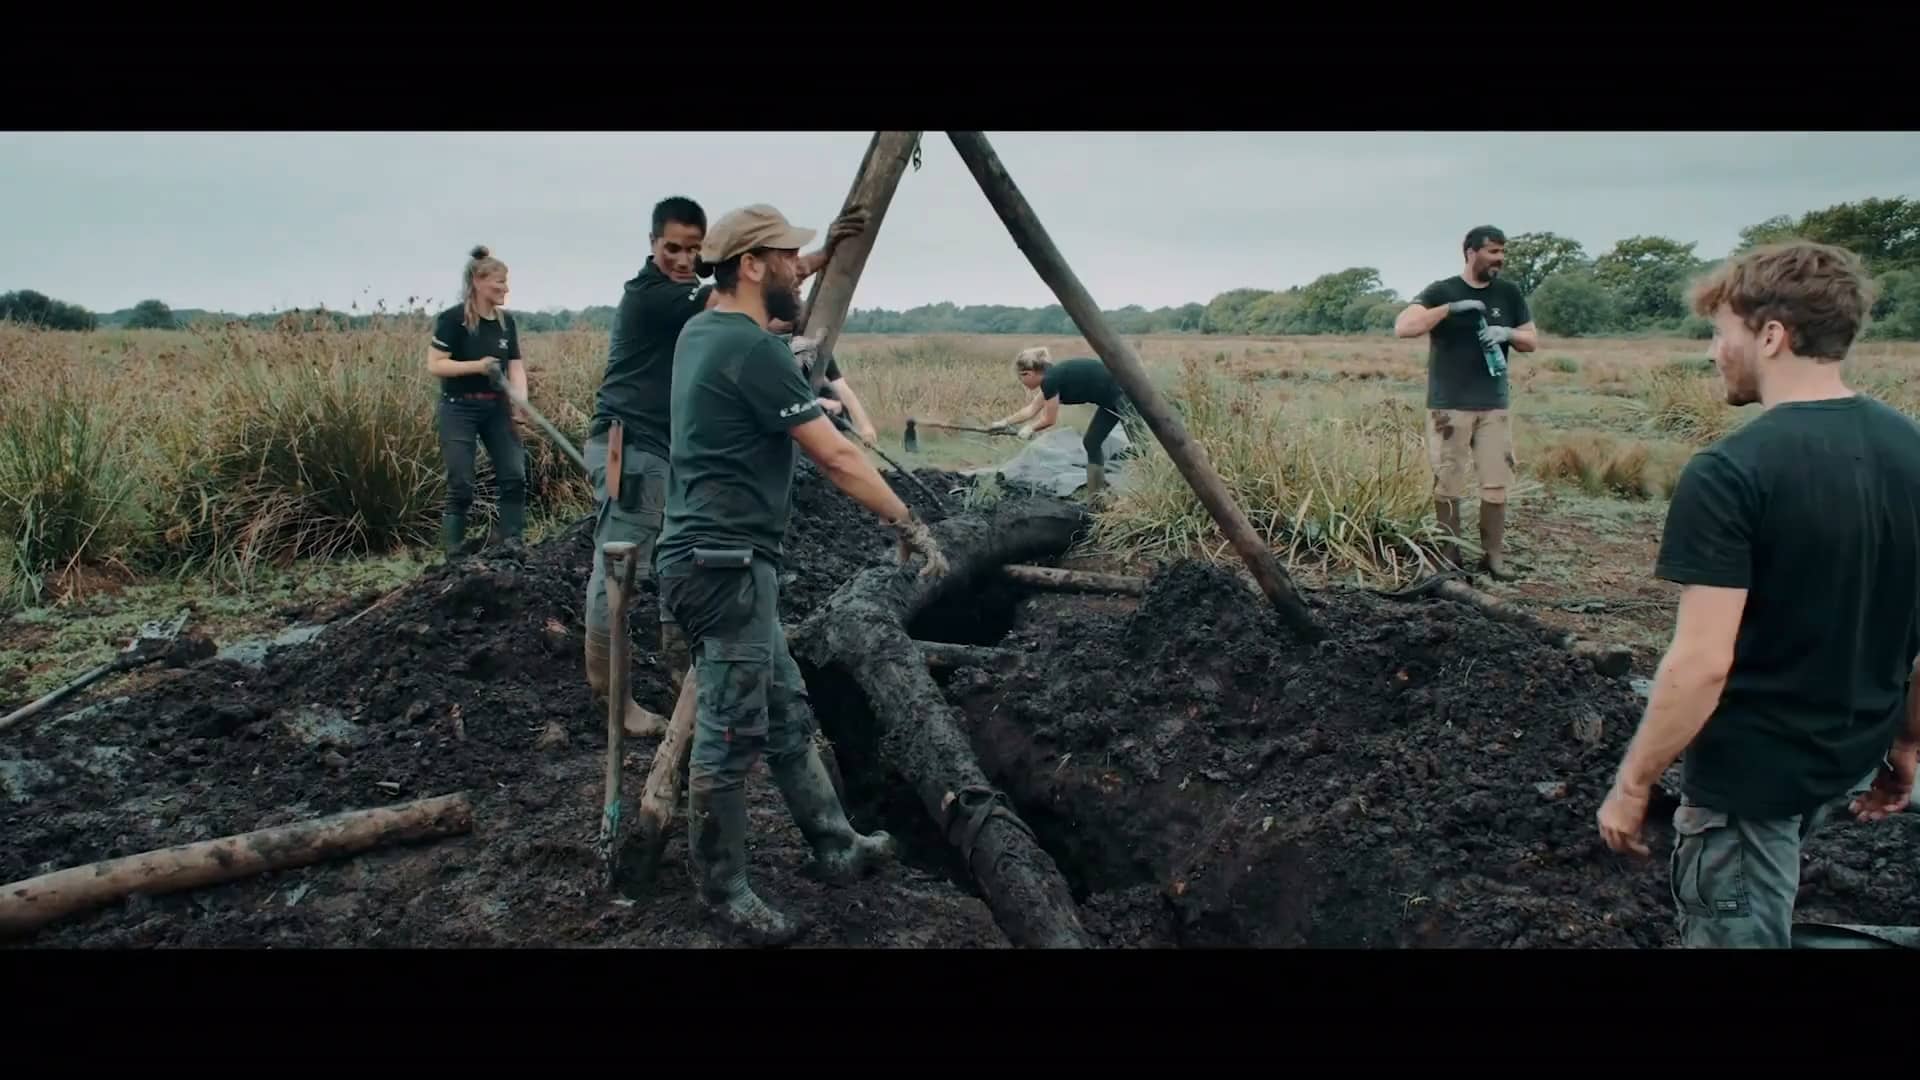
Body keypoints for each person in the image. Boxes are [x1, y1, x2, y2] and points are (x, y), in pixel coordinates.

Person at [1596, 241, 1920, 948]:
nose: (1714, 352)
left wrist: (1633, 781)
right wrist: (1907, 742)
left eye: (1721, 332)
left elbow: (1701, 663)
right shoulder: (1912, 449)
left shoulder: (1729, 472)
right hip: (1848, 757)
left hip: (1750, 784)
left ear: (1771, 335)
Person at [654, 203, 947, 945]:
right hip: (722, 569)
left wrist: (820, 263)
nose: (798, 268)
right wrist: (908, 522)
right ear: (752, 266)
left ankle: (837, 843)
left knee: (784, 709)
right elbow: (841, 457)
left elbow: (752, 385)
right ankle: (723, 890)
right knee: (728, 733)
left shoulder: (704, 330)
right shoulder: (753, 351)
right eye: (788, 257)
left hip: (718, 562)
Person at [582, 196, 864, 738]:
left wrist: (821, 256)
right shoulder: (652, 296)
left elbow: (755, 288)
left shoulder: (691, 297)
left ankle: (676, 663)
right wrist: (820, 254)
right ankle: (612, 701)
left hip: (671, 448)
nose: (683, 259)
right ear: (651, 245)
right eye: (672, 248)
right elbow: (747, 291)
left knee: (673, 554)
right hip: (633, 445)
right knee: (618, 570)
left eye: (693, 249)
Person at [1394, 226, 1537, 579]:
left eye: (1503, 252)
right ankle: (1449, 555)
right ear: (1471, 252)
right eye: (1492, 251)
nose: (1499, 259)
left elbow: (1531, 340)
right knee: (1448, 481)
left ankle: (1493, 557)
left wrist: (1507, 333)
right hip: (1449, 405)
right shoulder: (1443, 290)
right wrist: (1448, 309)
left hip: (1493, 404)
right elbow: (1404, 326)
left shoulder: (1509, 293)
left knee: (1496, 481)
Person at [426, 245, 527, 559]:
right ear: (478, 282)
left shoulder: (506, 322)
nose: (505, 288)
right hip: (459, 406)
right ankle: (453, 556)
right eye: (499, 282)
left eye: (506, 282)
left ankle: (513, 544)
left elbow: (515, 366)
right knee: (461, 483)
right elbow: (436, 364)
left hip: (496, 406)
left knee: (514, 475)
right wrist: (477, 366)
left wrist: (519, 402)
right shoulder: (452, 319)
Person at [988, 347, 1134, 496]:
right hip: (1110, 401)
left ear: (1029, 373)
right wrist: (1004, 422)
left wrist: (1030, 429)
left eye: (1021, 377)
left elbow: (1049, 420)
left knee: (1141, 447)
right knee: (1091, 443)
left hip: (1126, 395)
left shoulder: (1050, 380)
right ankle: (1097, 495)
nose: (1021, 382)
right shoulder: (1052, 377)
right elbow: (1031, 409)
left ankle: (1142, 494)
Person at [789, 334, 878, 447]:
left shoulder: (811, 348)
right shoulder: (772, 349)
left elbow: (841, 387)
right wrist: (817, 403)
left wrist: (865, 426)